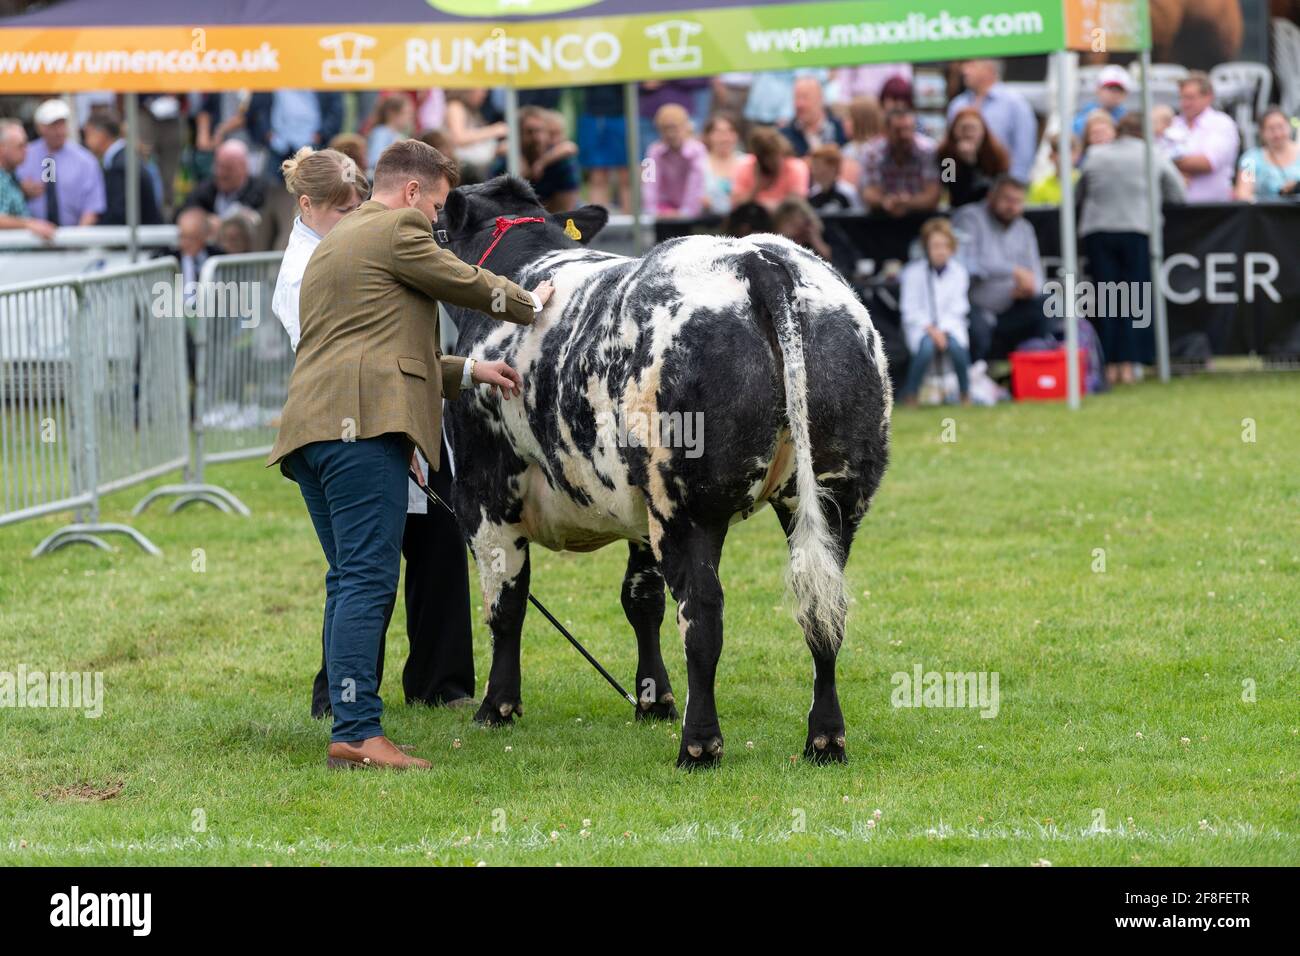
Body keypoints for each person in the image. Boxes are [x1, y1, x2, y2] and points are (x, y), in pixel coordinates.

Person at [266, 139, 555, 771]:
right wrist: (534, 304)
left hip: (313, 433)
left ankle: (350, 719)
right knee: (369, 579)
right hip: (362, 430)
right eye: (440, 206)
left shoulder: (335, 244)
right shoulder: (396, 224)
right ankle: (357, 732)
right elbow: (465, 282)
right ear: (414, 191)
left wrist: (473, 371)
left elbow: (382, 351)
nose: (438, 223)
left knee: (350, 579)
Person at [1079, 112, 1187, 385]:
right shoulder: (1153, 154)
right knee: (1135, 298)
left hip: (1098, 232)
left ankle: (1108, 364)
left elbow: (1077, 193)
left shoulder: (1096, 155)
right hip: (1137, 230)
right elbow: (1178, 193)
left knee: (1107, 297)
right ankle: (1130, 364)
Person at [951, 175, 1052, 361]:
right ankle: (975, 376)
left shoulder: (1024, 228)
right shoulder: (969, 218)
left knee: (1047, 304)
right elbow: (963, 265)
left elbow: (1037, 275)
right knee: (978, 327)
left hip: (1011, 307)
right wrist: (1012, 270)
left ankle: (1036, 372)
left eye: (1017, 201)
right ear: (991, 197)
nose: (1011, 206)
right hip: (972, 305)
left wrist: (1030, 288)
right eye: (1007, 199)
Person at [899, 218, 971, 406]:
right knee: (925, 349)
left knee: (957, 349)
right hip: (923, 327)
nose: (940, 251)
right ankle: (911, 394)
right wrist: (932, 330)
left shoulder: (959, 272)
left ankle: (965, 393)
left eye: (945, 245)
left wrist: (944, 330)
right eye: (935, 246)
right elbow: (910, 309)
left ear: (952, 248)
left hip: (951, 326)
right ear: (926, 248)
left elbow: (959, 307)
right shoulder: (912, 273)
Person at [16, 98, 106, 227]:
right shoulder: (24, 154)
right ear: (40, 127)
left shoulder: (85, 160)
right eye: (53, 125)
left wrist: (78, 237)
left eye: (62, 124)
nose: (59, 131)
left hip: (72, 237)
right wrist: (21, 189)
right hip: (29, 238)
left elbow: (93, 206)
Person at [947, 59, 1039, 182]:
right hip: (962, 187)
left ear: (989, 70)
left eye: (971, 65)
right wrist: (949, 181)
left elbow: (1024, 150)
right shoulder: (957, 105)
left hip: (1001, 184)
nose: (964, 71)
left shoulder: (1015, 103)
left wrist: (1014, 185)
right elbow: (948, 149)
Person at [1164, 72, 1240, 202]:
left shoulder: (1222, 123)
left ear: (1208, 97)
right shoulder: (1172, 123)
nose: (1185, 103)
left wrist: (1167, 162)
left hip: (1213, 210)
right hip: (1175, 209)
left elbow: (1207, 163)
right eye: (1182, 98)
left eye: (1190, 98)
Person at [81, 110, 163, 227]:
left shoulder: (120, 167)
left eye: (87, 134)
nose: (86, 141)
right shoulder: (124, 159)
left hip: (143, 241)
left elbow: (117, 215)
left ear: (101, 133)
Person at [860, 108, 941, 217]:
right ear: (886, 131)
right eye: (898, 130)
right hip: (882, 218)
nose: (904, 135)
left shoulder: (929, 150)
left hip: (922, 217)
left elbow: (933, 194)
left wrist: (908, 203)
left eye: (908, 129)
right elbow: (868, 192)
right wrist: (885, 201)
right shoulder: (872, 152)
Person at [246, 90, 344, 178]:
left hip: (312, 144)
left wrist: (322, 134)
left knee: (313, 187)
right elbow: (256, 107)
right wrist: (266, 133)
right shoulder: (273, 74)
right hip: (278, 145)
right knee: (272, 189)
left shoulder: (319, 75)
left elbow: (335, 109)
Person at [642, 103, 709, 218]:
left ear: (685, 126)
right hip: (663, 210)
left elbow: (696, 184)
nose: (670, 134)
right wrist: (652, 211)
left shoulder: (698, 150)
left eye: (675, 127)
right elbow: (649, 183)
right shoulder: (653, 151)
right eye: (665, 128)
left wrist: (685, 212)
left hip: (692, 211)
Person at [937, 107, 1010, 209]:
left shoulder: (995, 154)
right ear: (954, 131)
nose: (968, 134)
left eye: (973, 129)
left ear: (983, 132)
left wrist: (973, 163)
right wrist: (966, 164)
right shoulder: (948, 157)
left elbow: (998, 187)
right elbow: (952, 193)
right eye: (964, 129)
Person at [0, 119, 56, 240]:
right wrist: (29, 224)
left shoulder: (11, 176)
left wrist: (23, 191)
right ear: (2, 148)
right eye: (20, 145)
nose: (27, 150)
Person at [730, 125, 809, 211]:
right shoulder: (745, 166)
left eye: (775, 155)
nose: (772, 162)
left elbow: (797, 205)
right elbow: (736, 204)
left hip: (784, 219)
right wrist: (756, 188)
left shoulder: (796, 167)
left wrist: (768, 206)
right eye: (767, 157)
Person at [182, 139, 266, 219]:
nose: (221, 173)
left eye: (228, 168)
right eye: (218, 166)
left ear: (243, 168)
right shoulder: (206, 188)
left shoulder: (260, 192)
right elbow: (181, 212)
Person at [520, 106, 581, 213]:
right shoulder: (507, 161)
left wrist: (541, 163)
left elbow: (565, 213)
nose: (536, 138)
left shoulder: (562, 163)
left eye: (539, 131)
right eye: (530, 132)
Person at [577, 84, 629, 210]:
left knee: (627, 176)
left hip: (624, 113)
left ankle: (631, 223)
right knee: (597, 176)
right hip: (594, 113)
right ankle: (597, 222)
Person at [1235, 107, 1300, 201]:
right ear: (1262, 132)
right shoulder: (1250, 160)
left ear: (1289, 126)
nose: (1277, 134)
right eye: (1271, 129)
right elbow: (1243, 194)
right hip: (1265, 213)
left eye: (1281, 127)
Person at [444, 89, 508, 182]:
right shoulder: (455, 107)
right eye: (482, 90)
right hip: (464, 170)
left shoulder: (472, 110)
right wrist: (494, 130)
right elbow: (458, 138)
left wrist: (496, 149)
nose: (484, 94)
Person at [779, 76, 847, 157]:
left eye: (805, 97)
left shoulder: (841, 129)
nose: (799, 104)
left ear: (820, 99)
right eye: (796, 98)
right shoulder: (784, 137)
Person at [701, 112, 743, 215]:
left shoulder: (747, 162)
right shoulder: (699, 164)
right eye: (719, 132)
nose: (725, 138)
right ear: (708, 136)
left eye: (730, 131)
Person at [1072, 65, 1130, 138]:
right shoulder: (1082, 119)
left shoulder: (1127, 120)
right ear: (1098, 89)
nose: (1114, 93)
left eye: (1119, 90)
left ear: (1126, 94)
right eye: (1110, 88)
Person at [1027, 134, 1081, 206]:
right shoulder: (1039, 186)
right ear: (1051, 155)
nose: (1064, 157)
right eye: (1058, 151)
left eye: (1070, 151)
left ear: (1077, 154)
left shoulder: (1083, 181)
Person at [365, 94, 415, 172]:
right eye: (406, 113)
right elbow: (375, 161)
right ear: (392, 113)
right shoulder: (381, 133)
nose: (410, 117)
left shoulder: (400, 135)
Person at [807, 143, 861, 213]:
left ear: (833, 167)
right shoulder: (812, 194)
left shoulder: (847, 193)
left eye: (817, 166)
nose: (813, 171)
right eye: (813, 166)